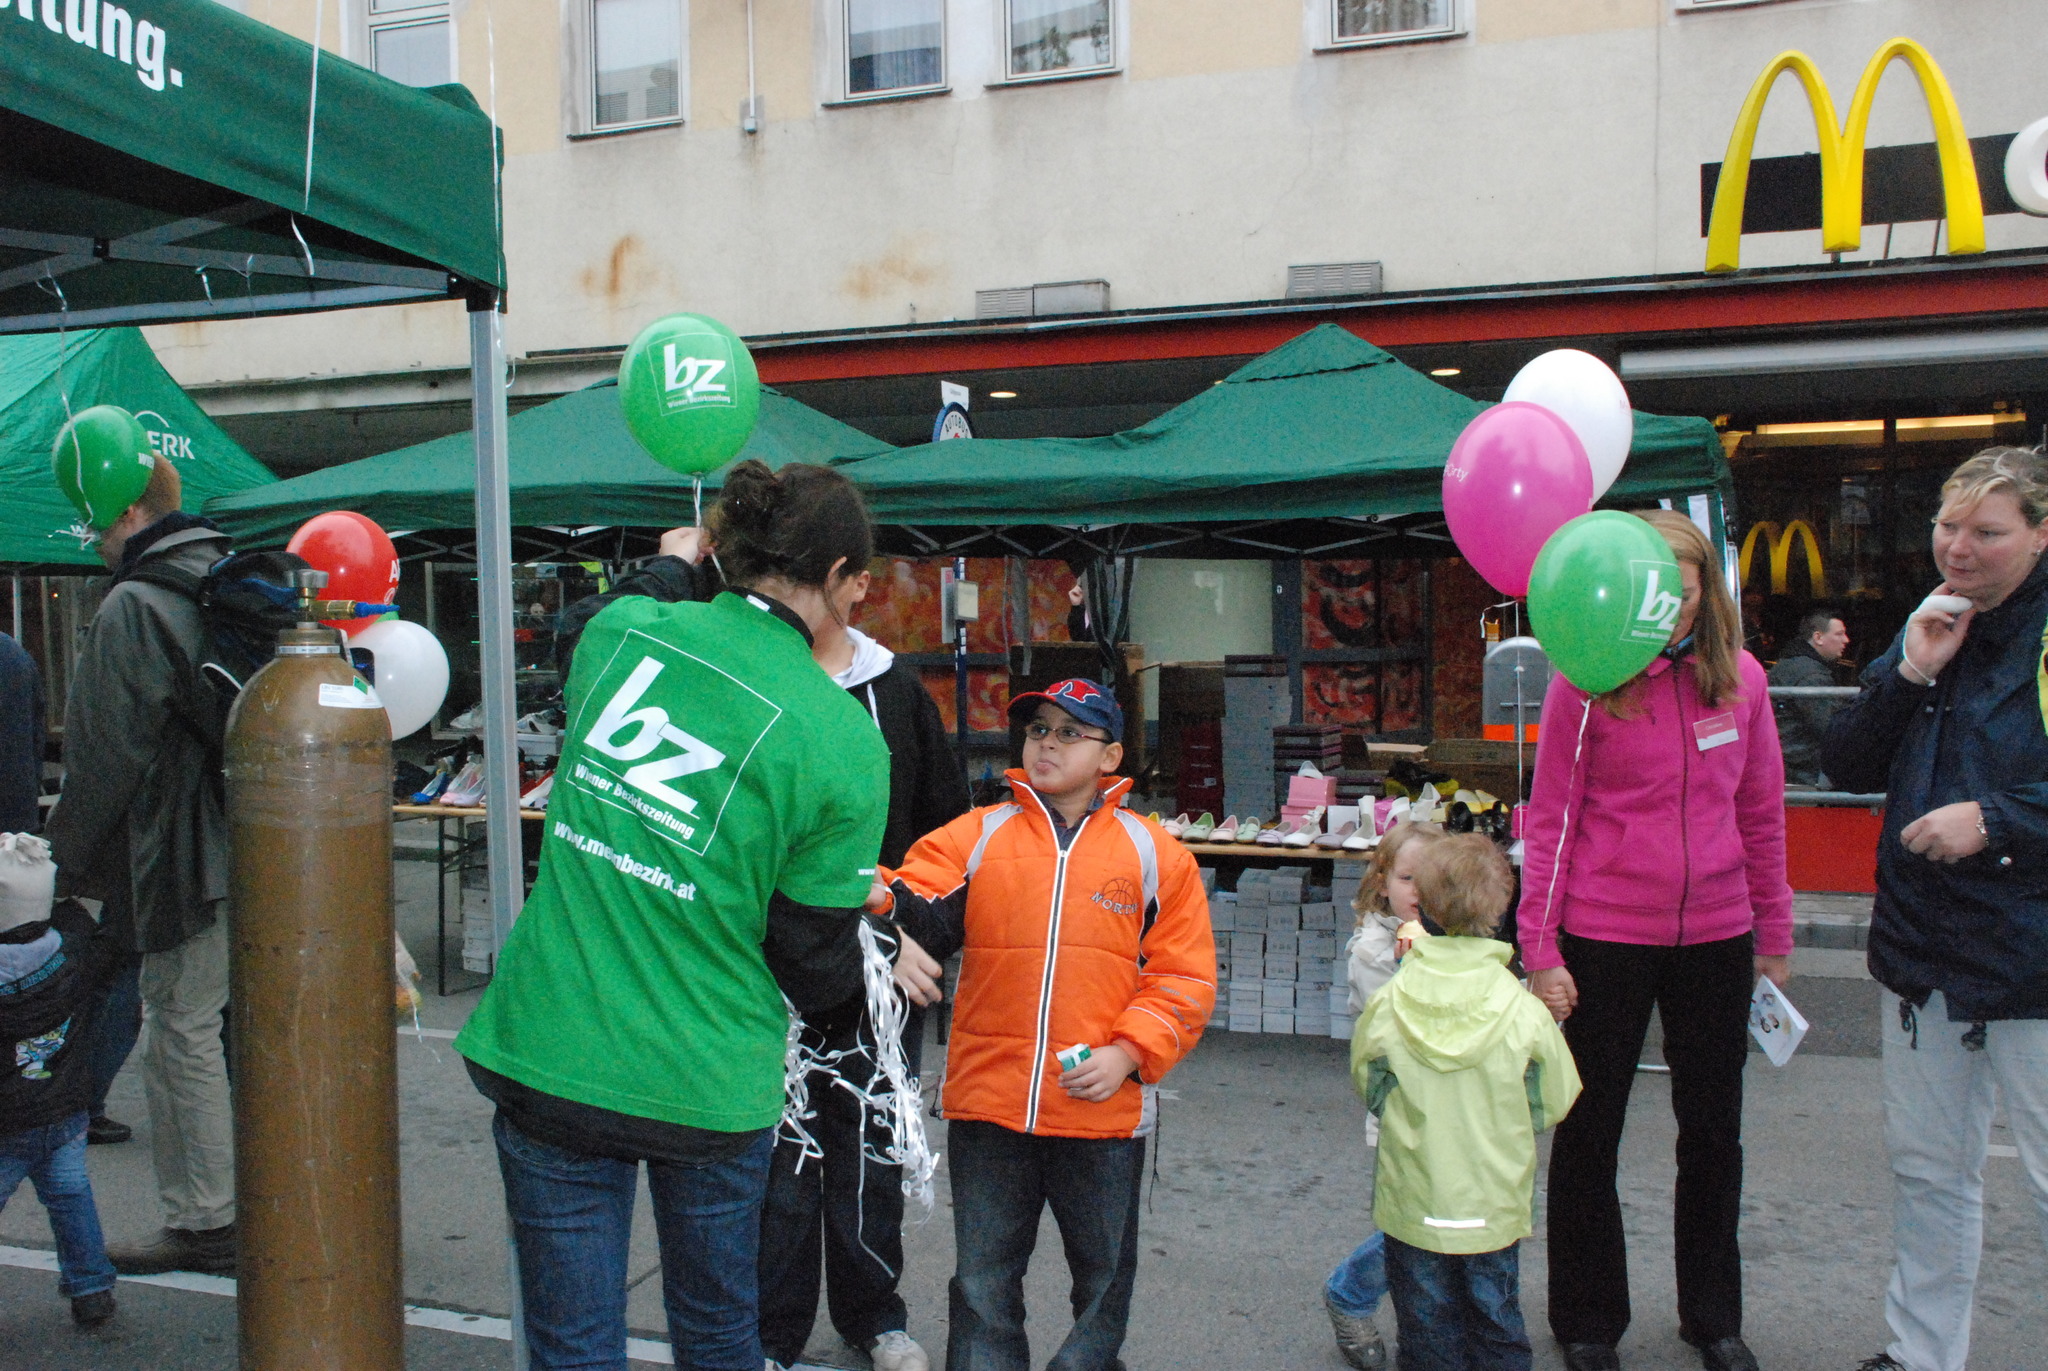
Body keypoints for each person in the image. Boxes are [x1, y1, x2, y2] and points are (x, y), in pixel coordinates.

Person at [455, 461, 939, 1371]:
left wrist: (677, 563)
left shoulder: (622, 634)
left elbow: (611, 608)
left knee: (571, 1345)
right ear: (840, 577)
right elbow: (812, 963)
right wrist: (875, 947)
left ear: (725, 551)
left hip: (553, 1047)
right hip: (708, 1079)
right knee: (719, 1337)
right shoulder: (844, 738)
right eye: (859, 580)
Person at [1516, 509, 1793, 1371]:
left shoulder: (1742, 680)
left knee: (1713, 1132)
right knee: (1589, 1131)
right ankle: (1587, 1319)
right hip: (1605, 934)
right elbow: (1551, 820)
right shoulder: (1586, 681)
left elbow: (1761, 813)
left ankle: (1714, 1317)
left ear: (1710, 589)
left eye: (1686, 585)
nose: (1670, 603)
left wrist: (1774, 931)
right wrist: (1541, 946)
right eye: (1654, 586)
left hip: (1718, 933)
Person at [878, 681, 1216, 1371]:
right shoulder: (977, 835)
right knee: (982, 1283)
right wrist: (873, 904)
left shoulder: (1155, 854)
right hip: (990, 1106)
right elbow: (907, 897)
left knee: (1102, 1283)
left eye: (1069, 732)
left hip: (1101, 1112)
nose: (1047, 744)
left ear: (1110, 755)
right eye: (1038, 729)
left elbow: (1185, 977)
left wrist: (1129, 1052)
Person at [1820, 447, 2048, 1371]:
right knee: (1927, 1173)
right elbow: (1845, 762)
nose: (1959, 547)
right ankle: (1920, 1354)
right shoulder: (1932, 619)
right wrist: (1909, 671)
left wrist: (1993, 821)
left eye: (1988, 531)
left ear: (2041, 534)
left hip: (2034, 955)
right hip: (1923, 951)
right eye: (1949, 526)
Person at [759, 563, 970, 1371]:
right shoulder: (758, 682)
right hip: (772, 966)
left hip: (883, 974)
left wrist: (915, 929)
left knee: (871, 1154)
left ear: (853, 584)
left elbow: (945, 838)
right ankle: (770, 1332)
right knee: (781, 1156)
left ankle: (874, 1314)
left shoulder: (898, 691)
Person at [43, 456, 238, 1273]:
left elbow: (102, 757)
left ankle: (206, 1220)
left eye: (93, 518)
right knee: (250, 1027)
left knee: (182, 1026)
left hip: (190, 855)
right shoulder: (223, 574)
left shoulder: (137, 602)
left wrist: (57, 868)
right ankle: (277, 1192)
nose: (89, 536)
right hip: (270, 843)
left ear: (129, 511)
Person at [1353, 833, 1581, 1371]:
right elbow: (1557, 1094)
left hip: (1414, 1195)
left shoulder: (1391, 1000)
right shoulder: (1522, 1008)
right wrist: (1516, 1120)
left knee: (1425, 1328)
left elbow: (1368, 1076)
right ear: (1500, 910)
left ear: (1423, 905)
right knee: (1496, 1320)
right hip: (1492, 1199)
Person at [1323, 819, 1447, 1371]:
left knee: (1440, 1217)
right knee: (1414, 1224)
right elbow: (1410, 1030)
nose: (1419, 891)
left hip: (1457, 1108)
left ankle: (1440, 1318)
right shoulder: (1376, 951)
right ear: (1382, 883)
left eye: (1435, 880)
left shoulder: (1450, 938)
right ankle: (1351, 1294)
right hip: (1403, 1109)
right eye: (1407, 878)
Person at [0, 834, 120, 1328]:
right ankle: (91, 1287)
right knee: (70, 1197)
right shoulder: (73, 955)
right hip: (65, 1110)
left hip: (8, 1119)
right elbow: (89, 928)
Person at [1769, 608, 1850, 787]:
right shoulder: (1812, 677)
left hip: (1787, 764)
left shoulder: (1788, 665)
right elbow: (1830, 728)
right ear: (1818, 637)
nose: (1846, 640)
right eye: (1839, 634)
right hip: (1804, 771)